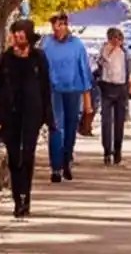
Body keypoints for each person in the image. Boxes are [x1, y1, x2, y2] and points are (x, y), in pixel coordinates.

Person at [0, 20, 54, 218]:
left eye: (21, 33)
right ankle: (17, 197)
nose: (18, 36)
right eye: (15, 33)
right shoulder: (6, 59)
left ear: (28, 35)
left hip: (32, 113)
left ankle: (26, 197)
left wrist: (47, 115)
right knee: (14, 158)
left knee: (27, 155)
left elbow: (46, 88)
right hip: (11, 114)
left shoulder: (39, 58)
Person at [42, 14, 94, 183]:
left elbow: (84, 71)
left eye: (62, 24)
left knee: (71, 126)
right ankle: (56, 167)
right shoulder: (47, 44)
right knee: (56, 126)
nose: (59, 28)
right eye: (56, 25)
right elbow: (42, 68)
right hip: (54, 90)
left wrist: (87, 101)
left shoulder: (77, 45)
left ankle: (67, 160)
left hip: (74, 89)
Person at [94, 27, 131, 165]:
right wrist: (110, 50)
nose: (116, 41)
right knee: (106, 121)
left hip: (121, 90)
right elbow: (101, 63)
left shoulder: (126, 54)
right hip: (107, 88)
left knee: (119, 122)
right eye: (113, 38)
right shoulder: (104, 50)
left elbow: (130, 72)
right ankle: (107, 150)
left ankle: (117, 149)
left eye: (119, 38)